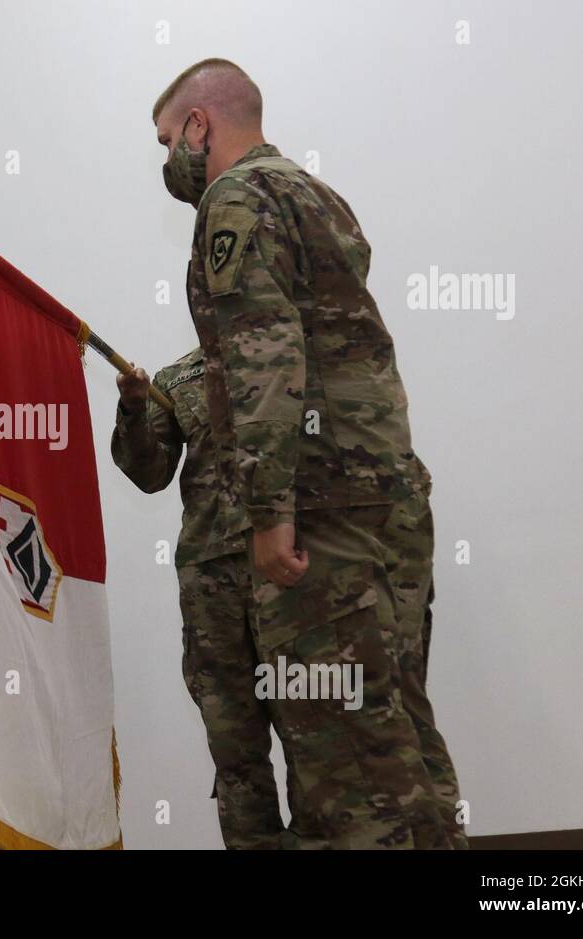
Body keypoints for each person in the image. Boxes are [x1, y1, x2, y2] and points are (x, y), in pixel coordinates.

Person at [152, 58, 467, 848]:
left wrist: (268, 513)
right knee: (395, 732)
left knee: (346, 771)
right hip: (384, 504)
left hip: (324, 514)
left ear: (200, 125)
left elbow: (266, 356)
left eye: (165, 141)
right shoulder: (312, 193)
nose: (165, 163)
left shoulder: (235, 199)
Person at [112, 350, 284, 848]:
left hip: (290, 575)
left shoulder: (291, 353)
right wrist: (134, 411)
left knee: (317, 739)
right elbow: (150, 474)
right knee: (235, 749)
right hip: (211, 581)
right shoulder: (178, 377)